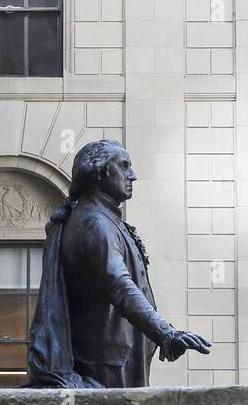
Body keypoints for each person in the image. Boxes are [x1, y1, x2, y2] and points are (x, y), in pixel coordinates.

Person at [27, 139, 211, 388]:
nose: (133, 176)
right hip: (108, 364)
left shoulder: (102, 219)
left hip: (119, 359)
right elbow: (119, 285)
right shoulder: (95, 222)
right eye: (124, 167)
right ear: (100, 173)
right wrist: (165, 333)